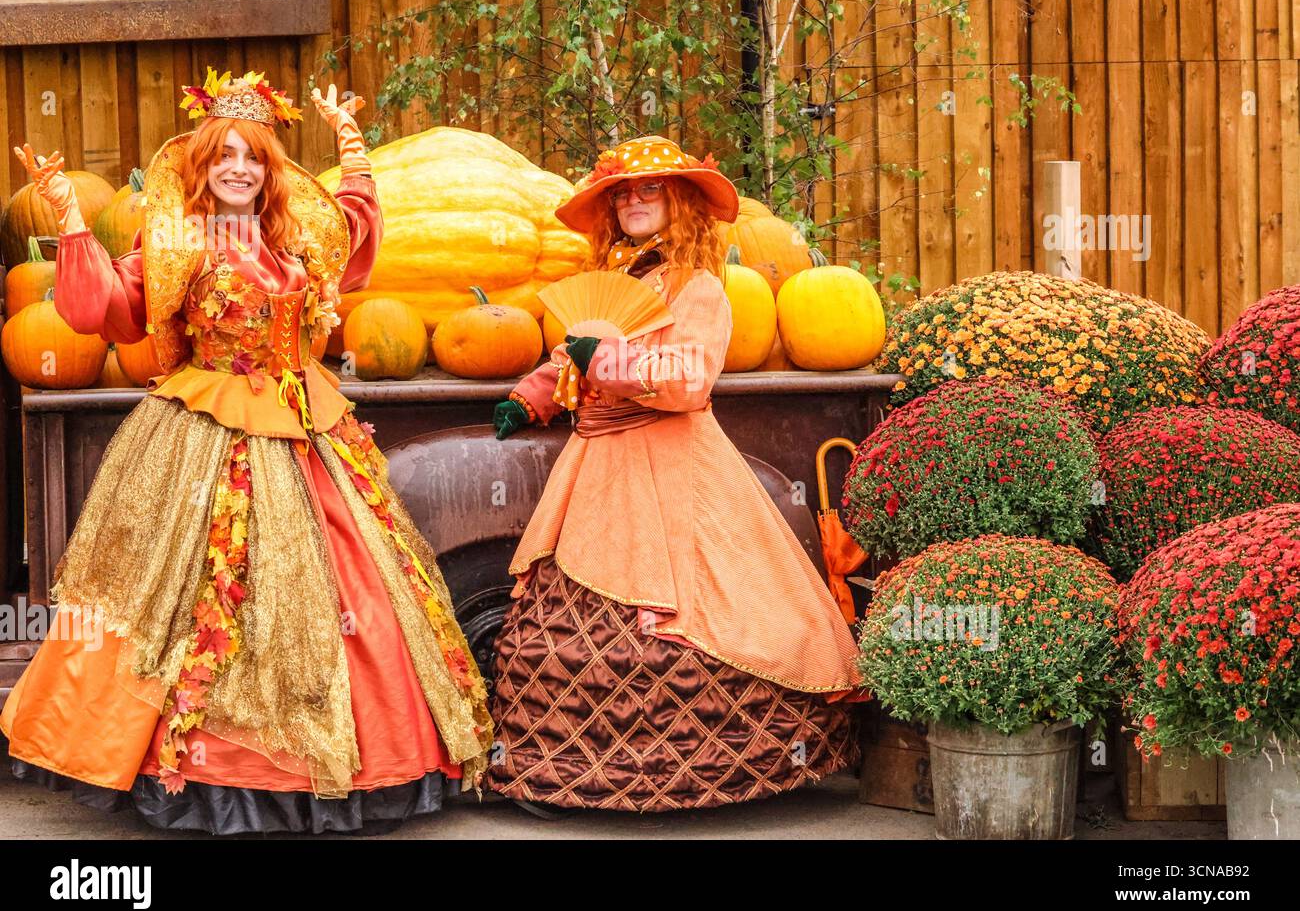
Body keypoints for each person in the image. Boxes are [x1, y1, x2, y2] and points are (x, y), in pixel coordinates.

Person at [0, 69, 493, 834]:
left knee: (348, 596)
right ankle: (191, 768)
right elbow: (114, 311)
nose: (238, 167)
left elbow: (354, 240)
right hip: (205, 430)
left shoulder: (293, 236)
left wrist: (353, 147)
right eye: (223, 154)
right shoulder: (177, 239)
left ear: (269, 168)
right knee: (195, 602)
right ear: (202, 166)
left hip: (307, 426)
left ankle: (347, 759)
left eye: (253, 156)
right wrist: (69, 220)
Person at [488, 135, 861, 812]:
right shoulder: (611, 281)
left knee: (690, 614)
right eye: (622, 193)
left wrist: (606, 360)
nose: (633, 201)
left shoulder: (700, 290)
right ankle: (569, 771)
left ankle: (691, 777)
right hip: (595, 464)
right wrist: (533, 395)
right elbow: (566, 358)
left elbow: (688, 382)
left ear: (679, 201)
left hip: (674, 460)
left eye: (649, 189)